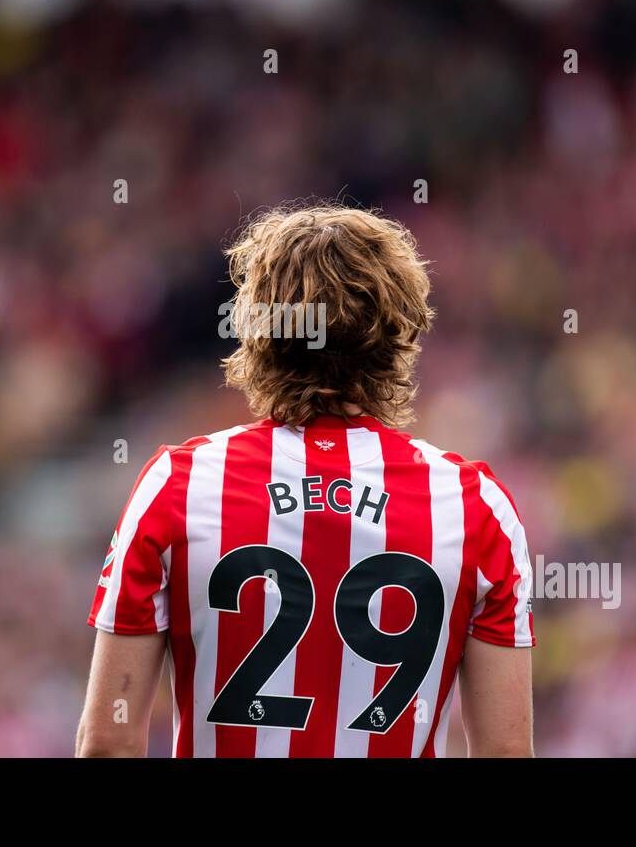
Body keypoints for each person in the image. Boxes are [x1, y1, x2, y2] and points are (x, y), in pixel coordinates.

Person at [76, 203, 534, 758]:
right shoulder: (474, 509)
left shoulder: (178, 486)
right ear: (399, 333)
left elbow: (109, 742)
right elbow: (505, 752)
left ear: (257, 332)